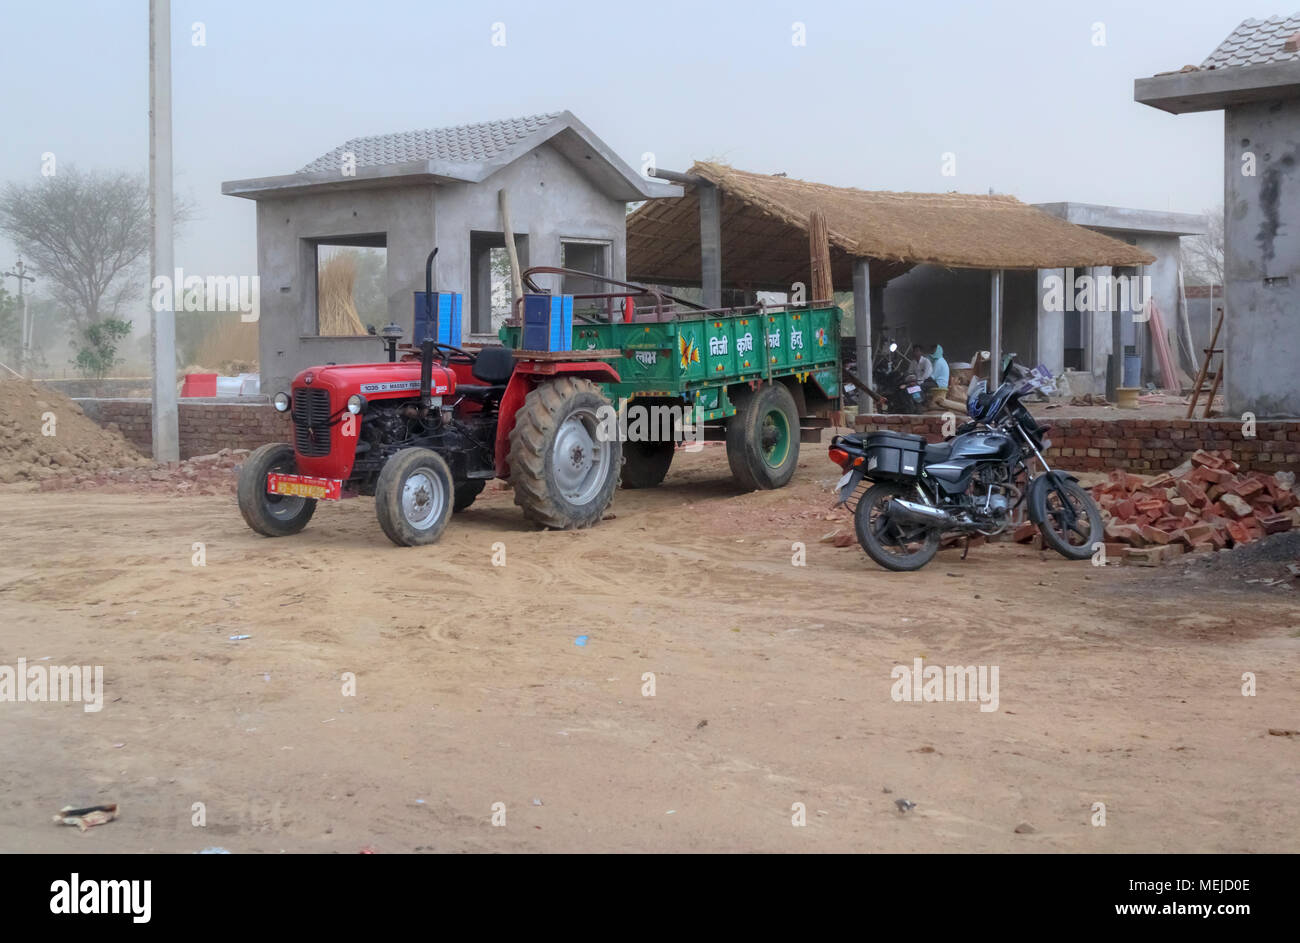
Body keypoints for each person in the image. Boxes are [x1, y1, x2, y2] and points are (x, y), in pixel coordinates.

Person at [925, 344, 950, 408]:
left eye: (934, 350)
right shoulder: (939, 360)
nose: (932, 351)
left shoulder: (939, 362)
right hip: (938, 382)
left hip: (939, 383)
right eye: (932, 350)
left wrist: (923, 381)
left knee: (922, 386)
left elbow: (933, 377)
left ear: (938, 351)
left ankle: (922, 404)